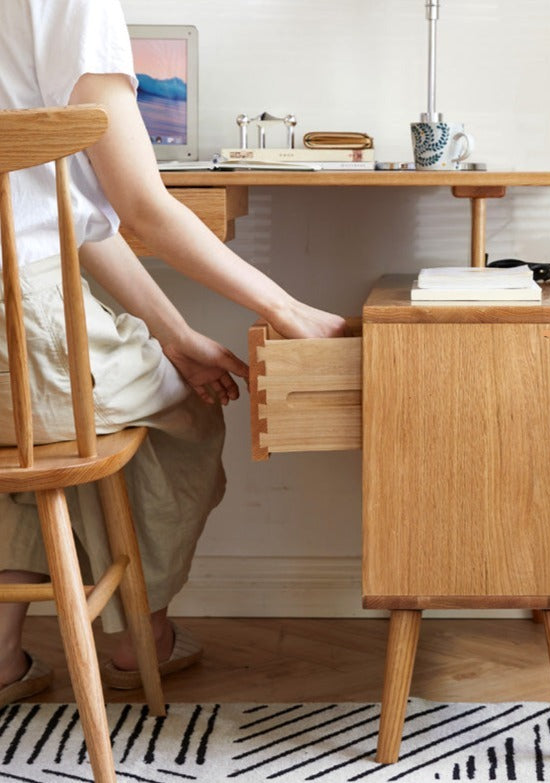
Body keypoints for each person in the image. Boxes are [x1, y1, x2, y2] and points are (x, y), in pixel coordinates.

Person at [0, 0, 346, 702]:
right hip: (22, 329)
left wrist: (173, 334)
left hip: (20, 351)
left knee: (24, 453)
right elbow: (143, 209)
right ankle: (139, 636)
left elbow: (66, 217)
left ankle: (3, 654)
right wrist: (283, 307)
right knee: (181, 409)